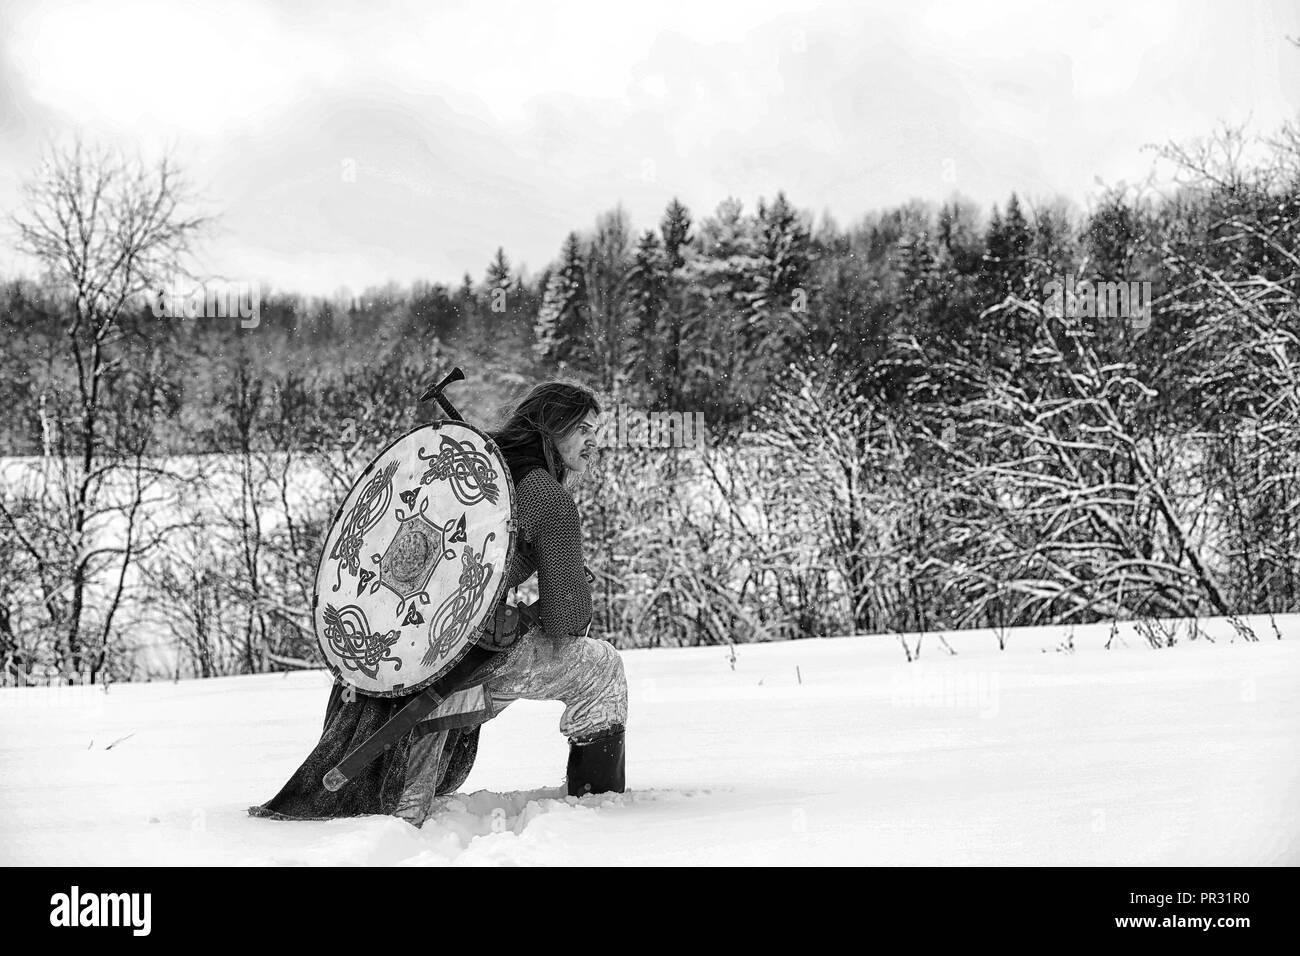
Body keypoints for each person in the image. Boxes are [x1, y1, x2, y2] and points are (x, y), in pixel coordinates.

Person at [249, 381, 627, 825]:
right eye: (583, 430)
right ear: (551, 426)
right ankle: (600, 810)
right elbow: (567, 621)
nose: (594, 443)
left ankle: (406, 792)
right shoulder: (548, 497)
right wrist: (567, 591)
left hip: (399, 650)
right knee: (602, 669)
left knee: (405, 817)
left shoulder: (465, 467)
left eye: (596, 431)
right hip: (464, 656)